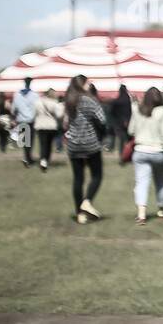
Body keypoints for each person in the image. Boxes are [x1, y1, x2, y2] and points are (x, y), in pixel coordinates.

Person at [62, 74, 107, 223]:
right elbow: (102, 119)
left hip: (73, 144)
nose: (90, 85)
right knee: (97, 175)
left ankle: (79, 214)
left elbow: (65, 122)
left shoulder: (69, 101)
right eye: (88, 83)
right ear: (83, 85)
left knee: (78, 179)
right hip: (90, 143)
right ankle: (87, 202)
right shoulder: (89, 100)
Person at [128, 87, 163, 223]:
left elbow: (131, 130)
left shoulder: (137, 109)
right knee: (160, 182)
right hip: (158, 151)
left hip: (140, 150)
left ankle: (141, 214)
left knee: (142, 182)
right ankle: (161, 209)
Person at [33, 88, 65, 171]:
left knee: (42, 144)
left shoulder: (37, 102)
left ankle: (43, 161)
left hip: (40, 125)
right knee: (49, 145)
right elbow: (59, 115)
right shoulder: (54, 103)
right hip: (51, 126)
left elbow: (34, 113)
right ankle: (46, 160)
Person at [11, 77, 39, 167]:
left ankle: (27, 157)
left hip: (21, 120)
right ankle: (28, 158)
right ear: (30, 83)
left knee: (25, 141)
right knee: (29, 141)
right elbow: (37, 108)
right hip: (31, 121)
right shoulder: (35, 95)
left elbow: (13, 109)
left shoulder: (17, 95)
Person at [109, 85, 132, 156]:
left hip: (119, 122)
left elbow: (112, 111)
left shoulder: (117, 101)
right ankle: (129, 153)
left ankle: (121, 153)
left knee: (121, 139)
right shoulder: (128, 100)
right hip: (128, 121)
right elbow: (130, 111)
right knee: (129, 139)